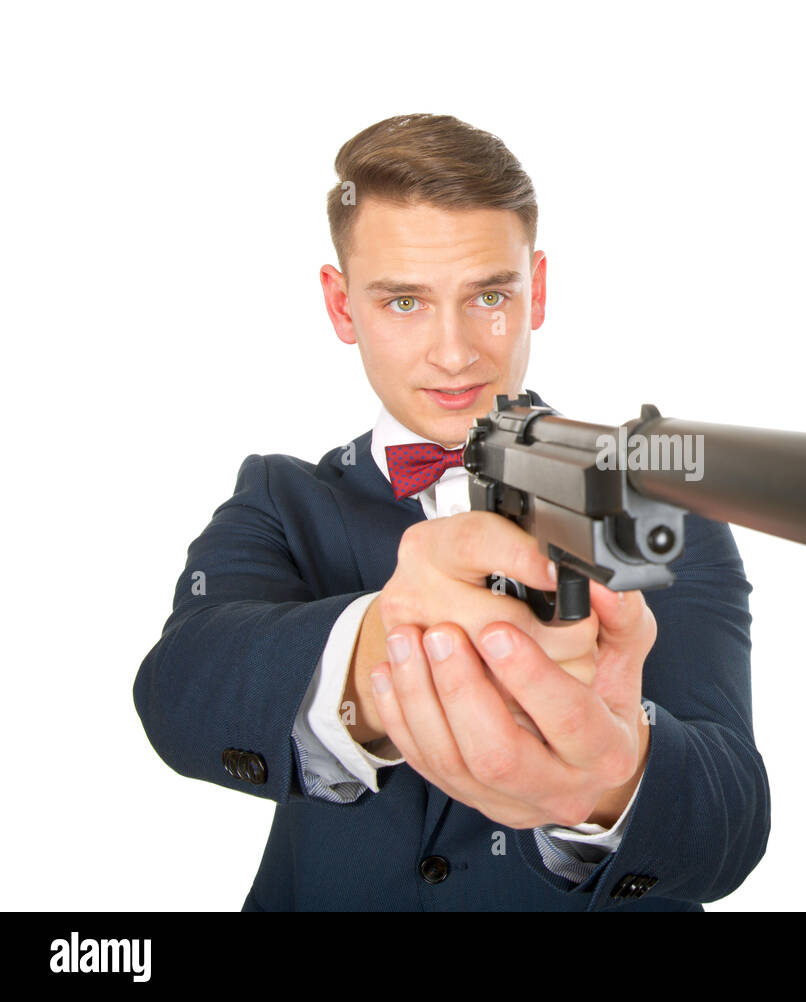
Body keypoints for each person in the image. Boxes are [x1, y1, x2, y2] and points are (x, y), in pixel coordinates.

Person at [133, 113, 770, 911]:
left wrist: (616, 779)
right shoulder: (280, 498)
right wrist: (382, 639)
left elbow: (729, 820)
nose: (454, 351)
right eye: (403, 302)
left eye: (489, 296)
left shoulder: (651, 497)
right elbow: (180, 692)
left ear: (536, 290)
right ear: (340, 306)